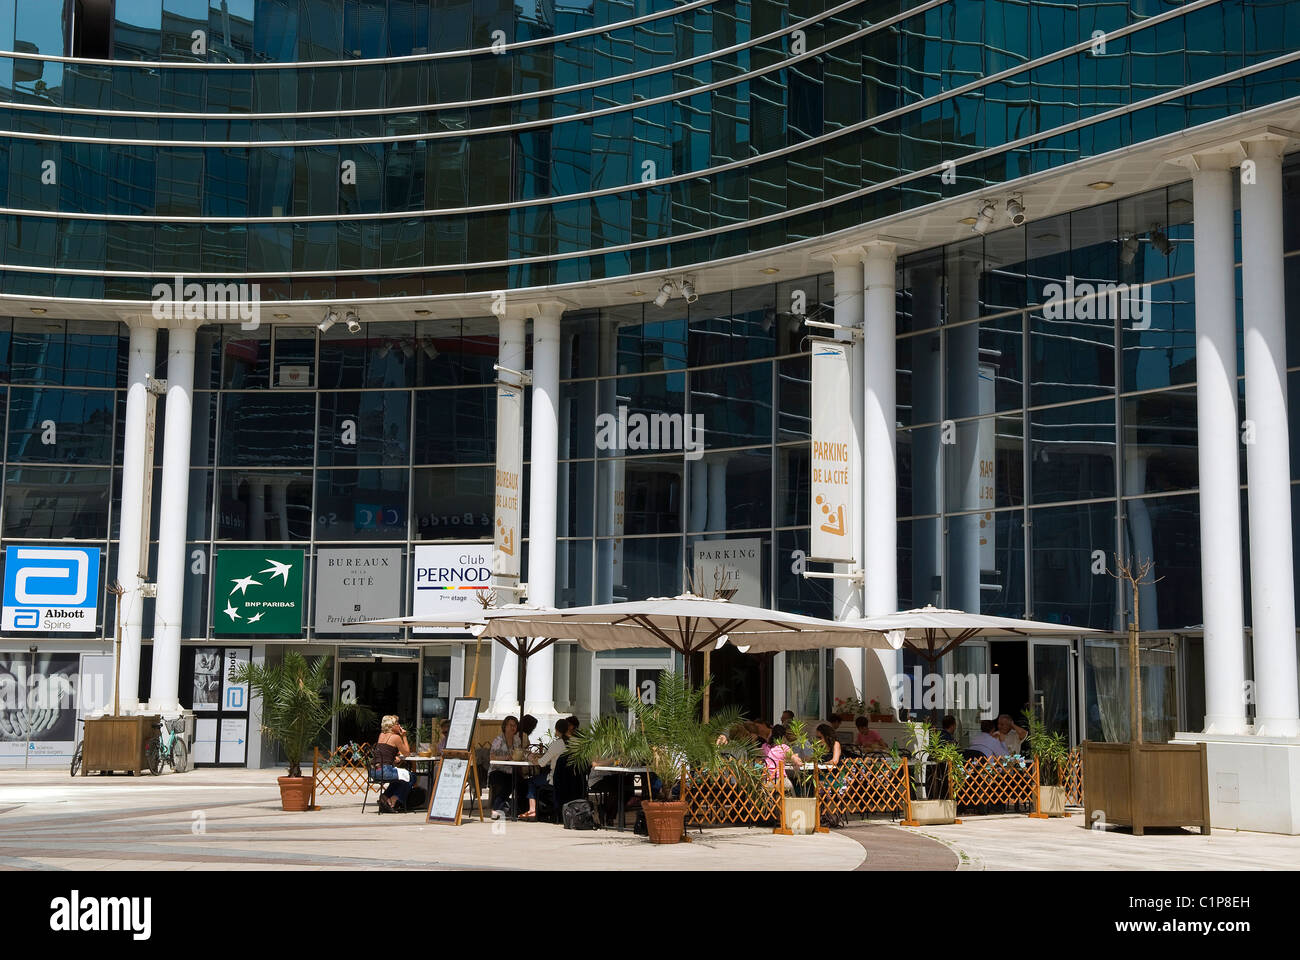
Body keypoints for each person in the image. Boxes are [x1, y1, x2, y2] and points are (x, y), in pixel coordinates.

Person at [522, 718, 570, 819]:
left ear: (556, 730)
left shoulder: (556, 744)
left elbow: (542, 763)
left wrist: (530, 757)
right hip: (569, 779)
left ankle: (532, 810)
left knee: (531, 781)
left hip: (555, 779)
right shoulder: (573, 744)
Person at [373, 715, 413, 813]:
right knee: (411, 777)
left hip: (375, 771)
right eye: (397, 724)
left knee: (400, 780)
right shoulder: (396, 737)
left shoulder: (381, 735)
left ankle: (384, 796)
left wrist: (393, 758)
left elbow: (385, 751)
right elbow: (407, 753)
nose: (399, 725)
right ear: (391, 727)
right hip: (385, 770)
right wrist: (404, 736)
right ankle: (393, 800)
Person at [488, 716, 524, 819]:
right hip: (496, 770)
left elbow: (518, 753)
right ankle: (495, 809)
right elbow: (491, 757)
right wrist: (506, 757)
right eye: (510, 725)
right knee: (509, 783)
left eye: (515, 725)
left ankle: (519, 810)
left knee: (522, 783)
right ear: (505, 726)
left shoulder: (517, 739)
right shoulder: (498, 740)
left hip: (511, 770)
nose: (513, 728)